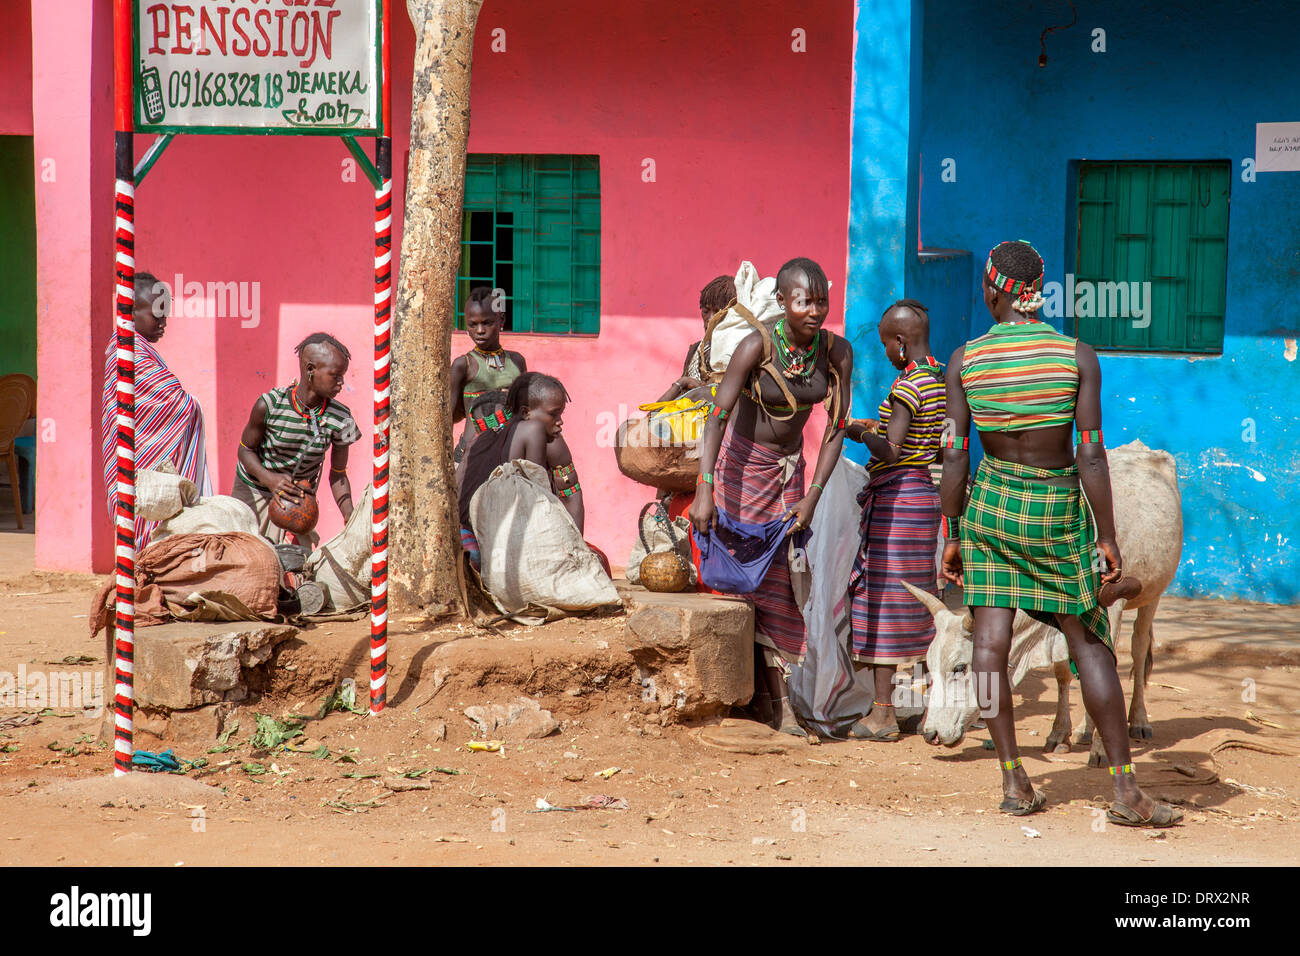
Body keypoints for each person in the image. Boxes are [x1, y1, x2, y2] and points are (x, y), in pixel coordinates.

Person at [939, 239, 1176, 826]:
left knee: (989, 645)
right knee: (1088, 638)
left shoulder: (965, 360)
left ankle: (1014, 781)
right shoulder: (1077, 356)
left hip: (990, 510)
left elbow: (952, 458)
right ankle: (1125, 792)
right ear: (1036, 292)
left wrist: (952, 531)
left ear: (994, 289)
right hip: (1054, 508)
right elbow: (1091, 455)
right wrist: (1107, 536)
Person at [690, 258, 853, 735]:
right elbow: (716, 417)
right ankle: (745, 695)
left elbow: (836, 427)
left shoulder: (836, 353)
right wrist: (705, 491)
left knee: (784, 581)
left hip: (792, 478)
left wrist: (814, 496)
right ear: (782, 302)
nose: (816, 310)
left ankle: (779, 703)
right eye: (804, 300)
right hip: (742, 471)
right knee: (740, 578)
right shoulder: (755, 346)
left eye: (822, 299)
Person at [843, 299, 945, 740]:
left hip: (898, 501)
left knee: (883, 599)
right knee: (920, 600)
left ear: (901, 343)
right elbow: (931, 444)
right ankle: (925, 708)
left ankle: (883, 712)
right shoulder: (938, 379)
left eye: (887, 344)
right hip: (924, 498)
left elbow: (893, 450)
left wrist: (859, 433)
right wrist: (879, 426)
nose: (885, 352)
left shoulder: (906, 386)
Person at [100, 271, 213, 548]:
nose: (164, 320)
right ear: (130, 310)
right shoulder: (127, 351)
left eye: (166, 312)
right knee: (145, 534)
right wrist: (191, 404)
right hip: (136, 466)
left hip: (139, 461)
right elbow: (176, 403)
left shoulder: (140, 350)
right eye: (157, 312)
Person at [233, 332, 361, 547]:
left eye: (343, 376)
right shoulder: (269, 405)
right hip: (255, 490)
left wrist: (351, 516)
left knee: (300, 566)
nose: (341, 383)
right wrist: (270, 479)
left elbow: (338, 474)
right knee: (245, 554)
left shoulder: (342, 419)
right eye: (335, 375)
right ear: (310, 369)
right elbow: (245, 450)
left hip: (299, 501)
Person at [459, 372, 583, 569]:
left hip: (466, 536)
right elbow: (541, 499)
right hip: (499, 542)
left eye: (561, 415)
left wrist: (576, 548)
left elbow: (569, 492)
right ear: (526, 412)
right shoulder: (534, 431)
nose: (560, 422)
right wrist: (576, 553)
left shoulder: (480, 438)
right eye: (553, 414)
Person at [449, 286, 527, 463]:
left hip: (510, 451)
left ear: (501, 320)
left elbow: (524, 410)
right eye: (472, 324)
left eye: (487, 323)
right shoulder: (463, 365)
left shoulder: (517, 361)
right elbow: (449, 418)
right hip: (472, 454)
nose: (480, 330)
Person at [655, 274, 737, 402]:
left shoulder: (740, 351)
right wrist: (682, 383)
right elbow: (668, 404)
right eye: (705, 311)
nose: (710, 319)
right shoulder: (695, 351)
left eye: (718, 312)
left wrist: (691, 385)